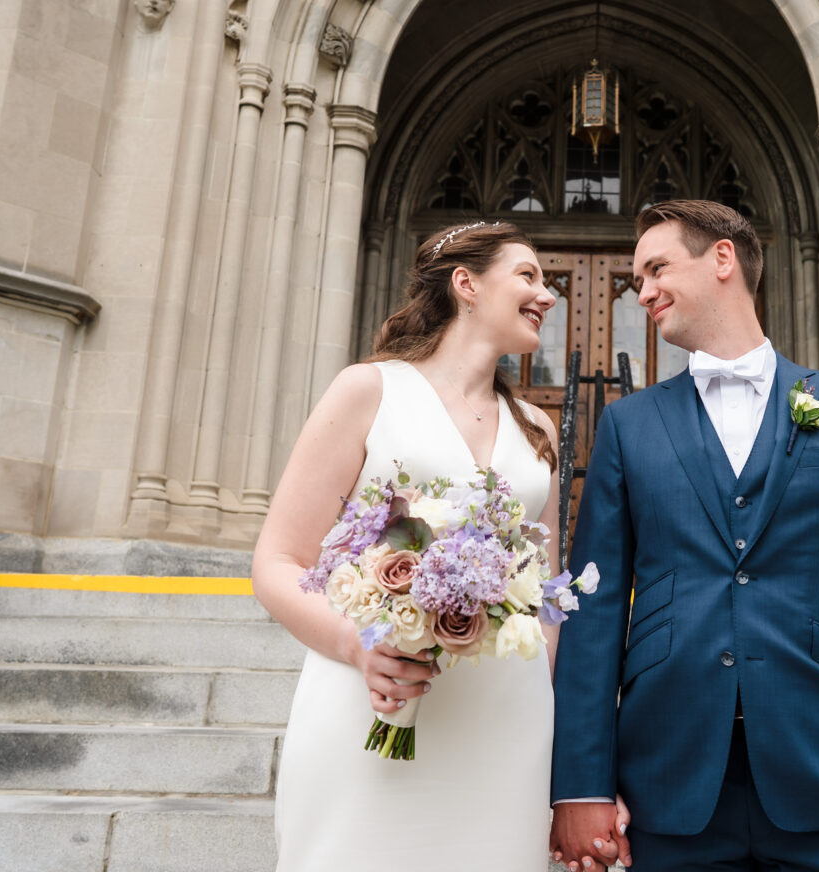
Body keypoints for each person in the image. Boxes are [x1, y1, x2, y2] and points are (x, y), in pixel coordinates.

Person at [550, 201, 819, 872]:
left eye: (657, 268)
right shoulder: (629, 425)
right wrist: (581, 782)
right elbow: (593, 610)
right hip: (669, 782)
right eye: (639, 276)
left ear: (723, 259)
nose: (643, 289)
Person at [252, 221, 615, 871]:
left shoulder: (537, 427)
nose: (548, 294)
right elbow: (277, 563)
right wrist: (359, 651)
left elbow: (549, 601)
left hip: (508, 722)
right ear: (466, 284)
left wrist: (570, 755)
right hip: (371, 702)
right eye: (528, 276)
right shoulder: (369, 389)